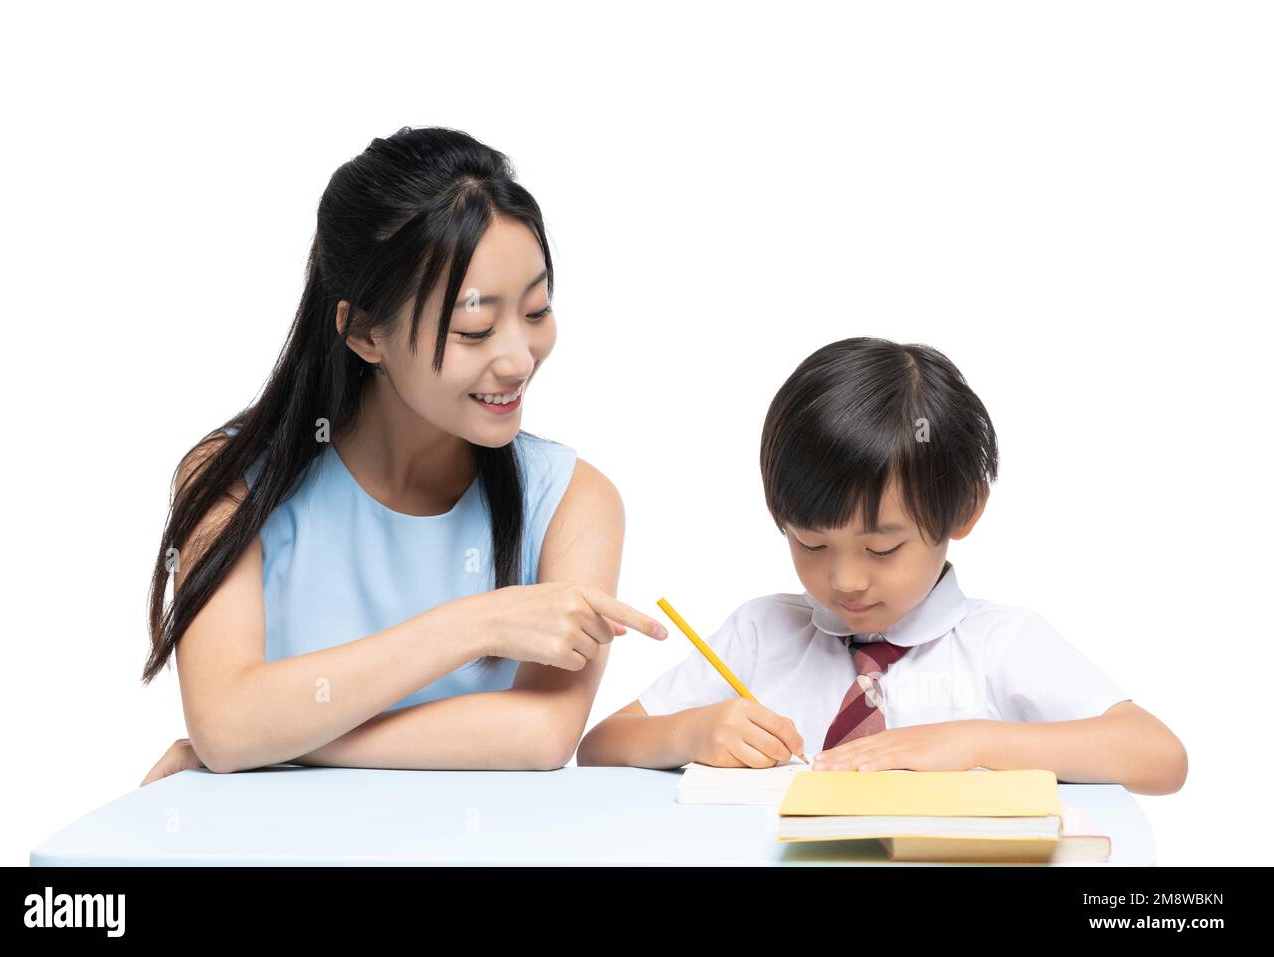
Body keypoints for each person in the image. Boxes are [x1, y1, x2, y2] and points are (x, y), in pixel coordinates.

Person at [140, 127, 667, 785]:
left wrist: (274, 743)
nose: (518, 358)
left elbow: (541, 734)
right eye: (474, 329)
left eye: (535, 311)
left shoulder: (575, 501)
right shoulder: (230, 483)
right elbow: (226, 720)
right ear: (365, 332)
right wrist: (480, 623)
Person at [577, 337, 1188, 795]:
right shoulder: (761, 633)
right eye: (811, 544)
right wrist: (691, 733)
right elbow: (601, 746)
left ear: (965, 508)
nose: (844, 579)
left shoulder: (1002, 644)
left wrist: (972, 741)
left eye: (882, 549)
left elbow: (1159, 756)